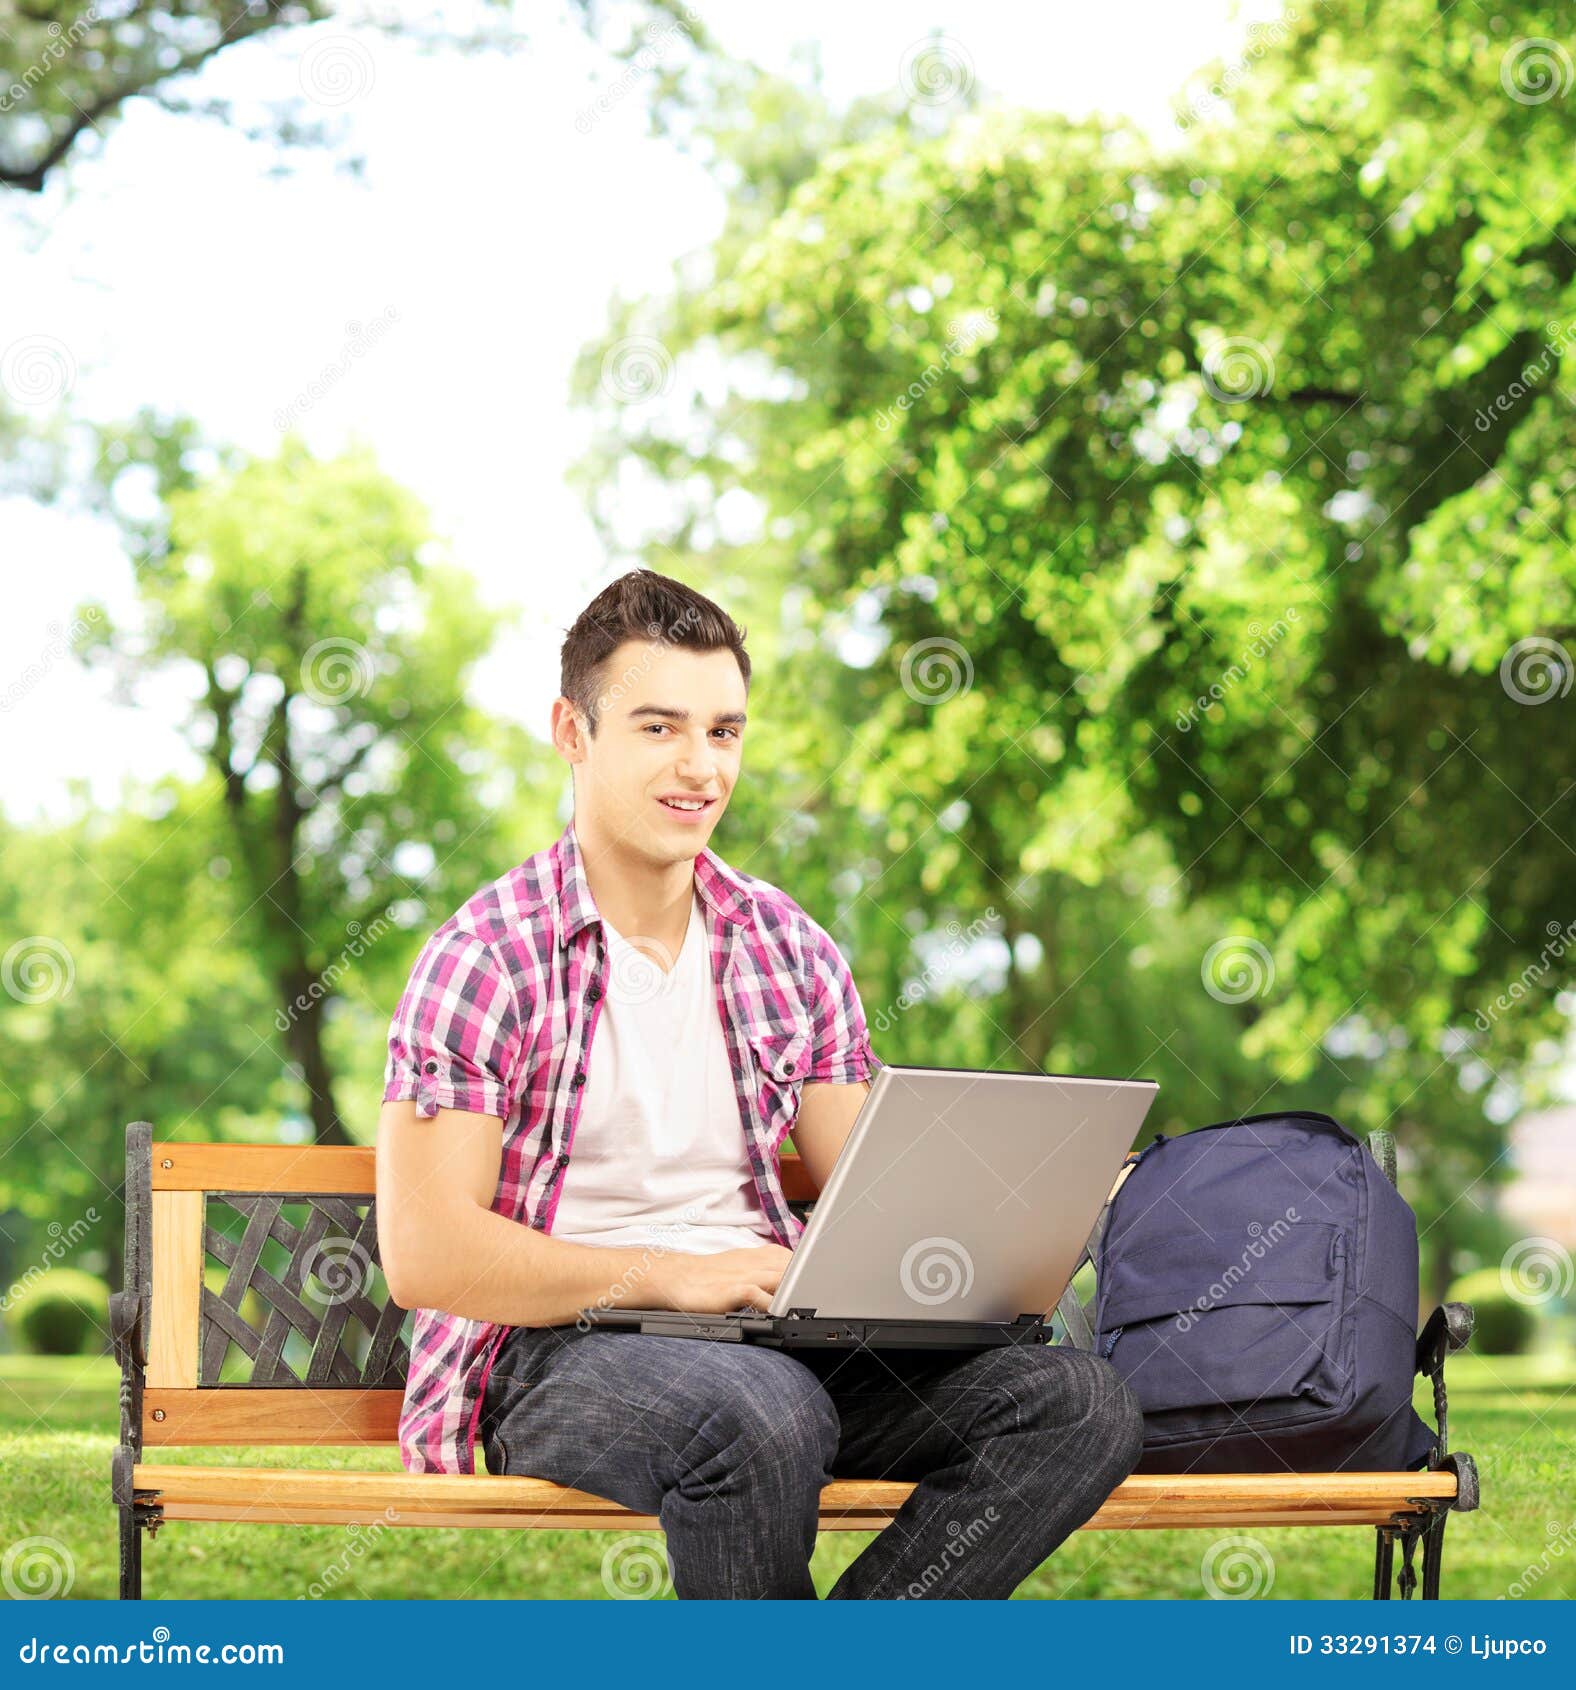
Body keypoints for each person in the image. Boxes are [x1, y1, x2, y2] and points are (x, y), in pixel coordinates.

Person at [375, 567, 1143, 1598]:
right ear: (571, 732)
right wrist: (665, 1273)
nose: (699, 766)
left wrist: (1034, 1195)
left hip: (775, 1343)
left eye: (723, 731)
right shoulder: (485, 957)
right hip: (556, 1355)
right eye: (658, 728)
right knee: (759, 1409)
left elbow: (869, 1185)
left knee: (1076, 1402)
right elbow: (428, 1255)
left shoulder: (788, 946)